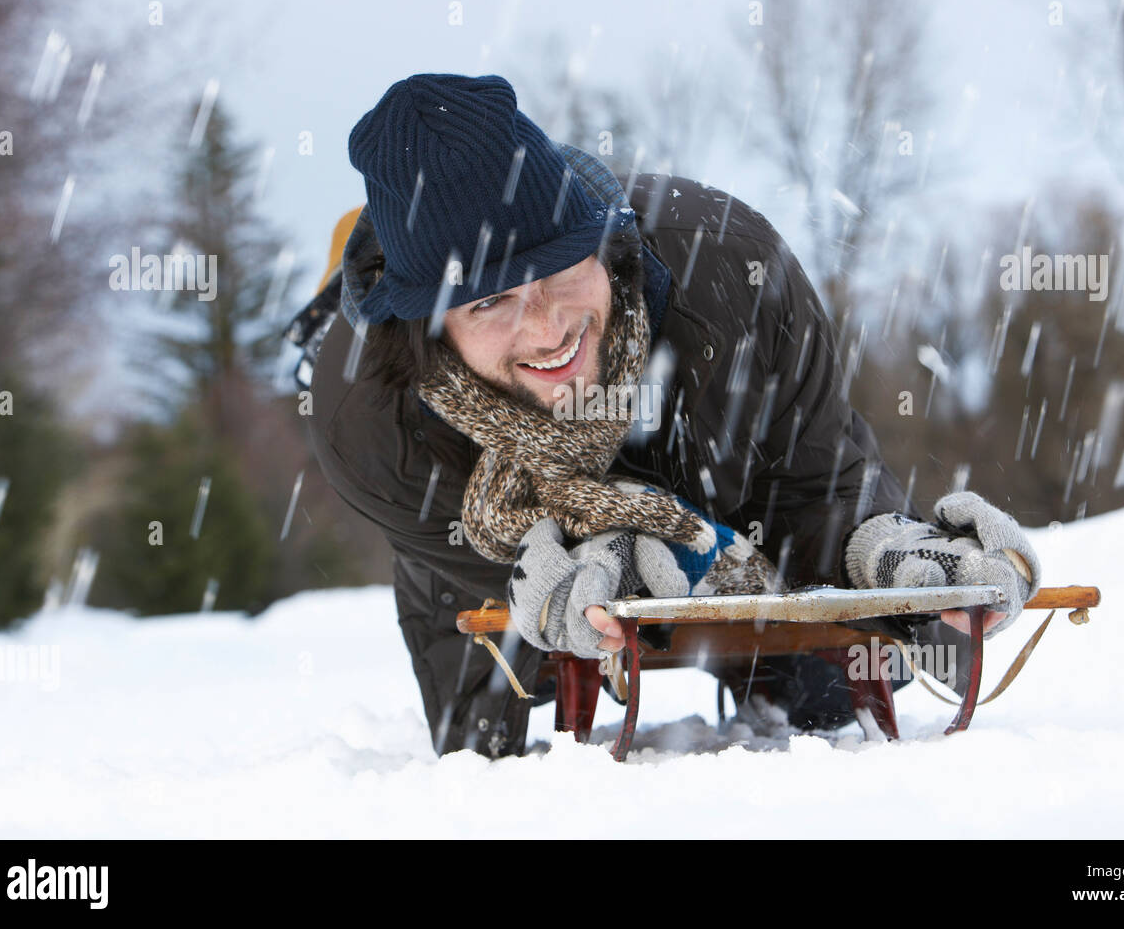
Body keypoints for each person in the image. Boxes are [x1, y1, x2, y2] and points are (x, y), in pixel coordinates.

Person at [301, 72, 1042, 758]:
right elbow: (499, 557)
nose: (547, 329)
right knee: (496, 751)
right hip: (487, 505)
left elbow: (813, 480)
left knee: (833, 690)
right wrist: (606, 554)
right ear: (431, 323)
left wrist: (877, 546)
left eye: (559, 268)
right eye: (490, 301)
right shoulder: (365, 421)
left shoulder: (737, 275)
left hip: (718, 470)